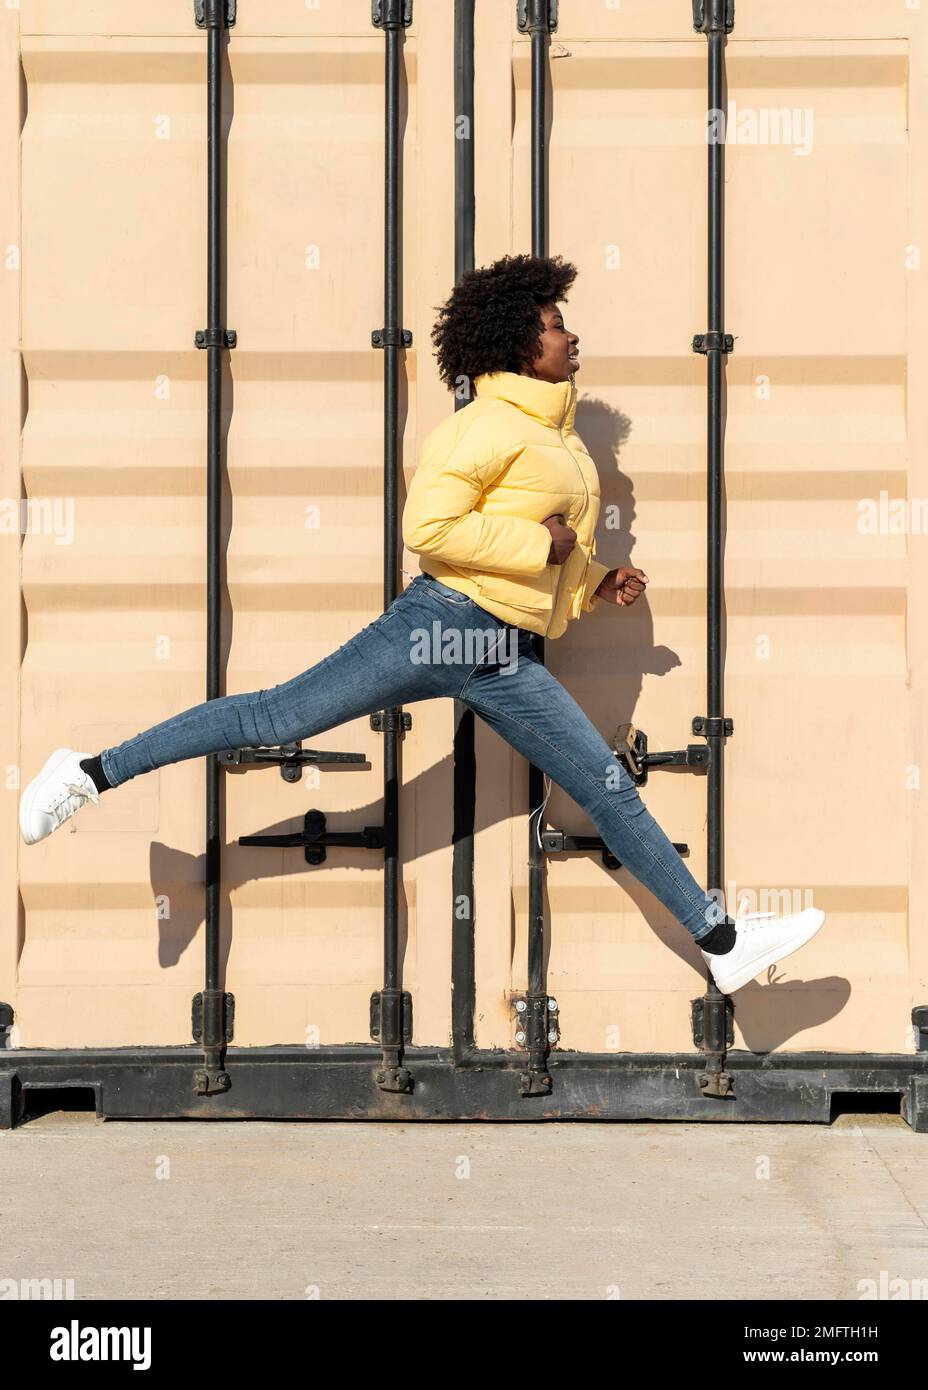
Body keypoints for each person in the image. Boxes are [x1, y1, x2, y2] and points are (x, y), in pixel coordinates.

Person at [18, 253, 824, 995]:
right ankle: (88, 773)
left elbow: (546, 553)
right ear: (517, 341)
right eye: (552, 324)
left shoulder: (556, 437)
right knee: (278, 715)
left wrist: (593, 583)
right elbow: (430, 530)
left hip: (502, 652)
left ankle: (722, 945)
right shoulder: (481, 425)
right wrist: (540, 545)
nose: (569, 334)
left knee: (605, 785)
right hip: (437, 624)